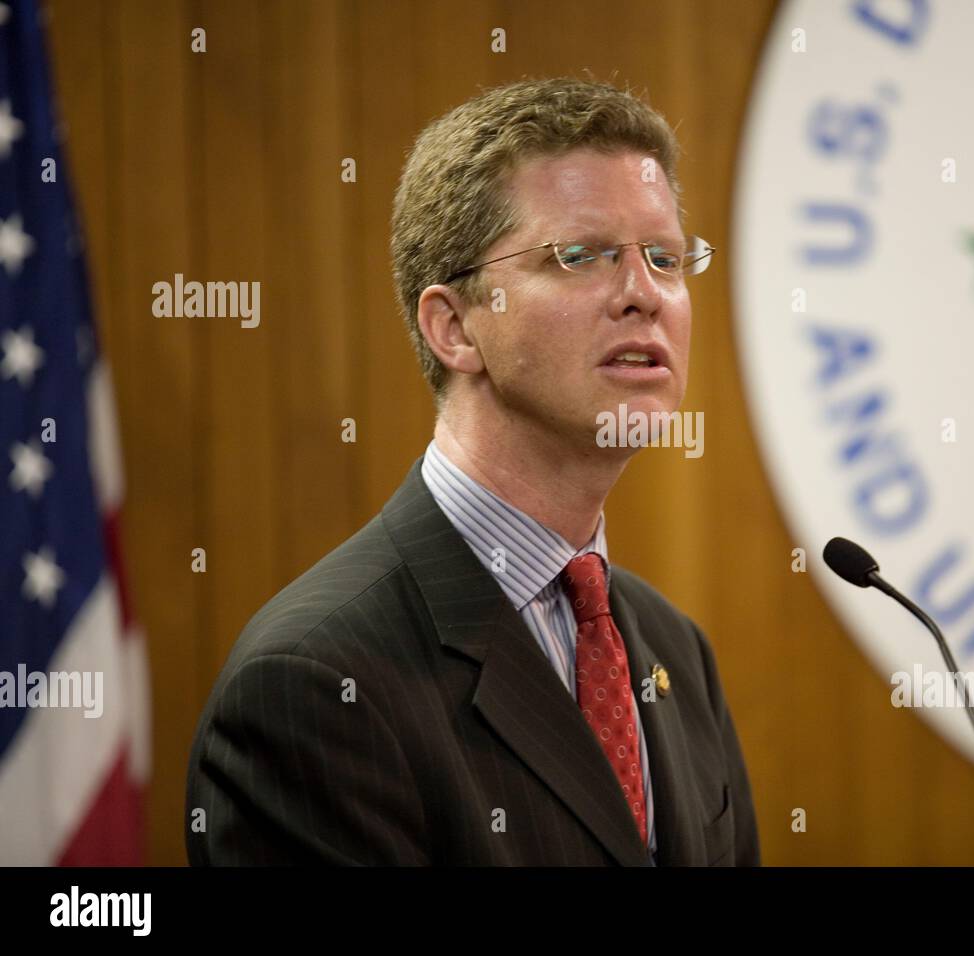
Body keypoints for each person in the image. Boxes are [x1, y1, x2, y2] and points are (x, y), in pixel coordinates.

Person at [185, 75, 759, 866]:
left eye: (665, 257)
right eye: (580, 255)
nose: (644, 295)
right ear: (454, 328)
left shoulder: (674, 652)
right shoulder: (313, 683)